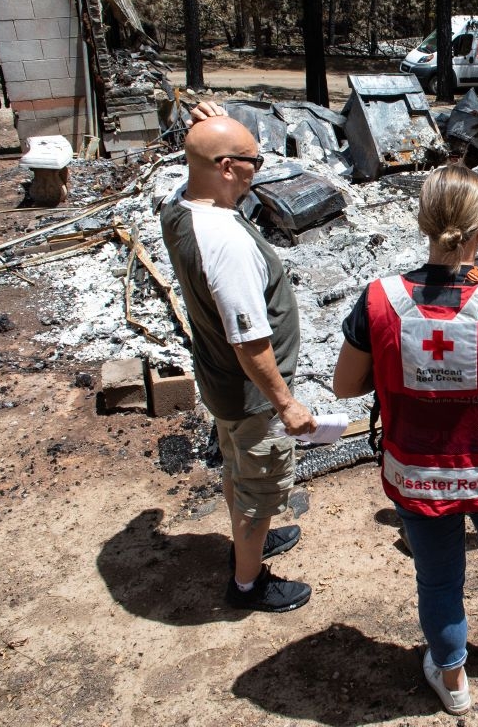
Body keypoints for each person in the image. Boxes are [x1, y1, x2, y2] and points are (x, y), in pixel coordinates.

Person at [332, 164, 478, 715]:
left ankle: (453, 677)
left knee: (437, 576)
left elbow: (345, 385)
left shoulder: (378, 299)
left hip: (416, 473)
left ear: (422, 222)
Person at [160, 108, 318, 613]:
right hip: (251, 397)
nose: (260, 168)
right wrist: (286, 404)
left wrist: (218, 124)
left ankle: (252, 540)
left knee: (235, 467)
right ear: (227, 167)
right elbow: (249, 341)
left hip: (219, 382)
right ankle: (247, 583)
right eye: (254, 159)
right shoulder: (226, 243)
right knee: (257, 490)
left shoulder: (179, 206)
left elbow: (203, 156)